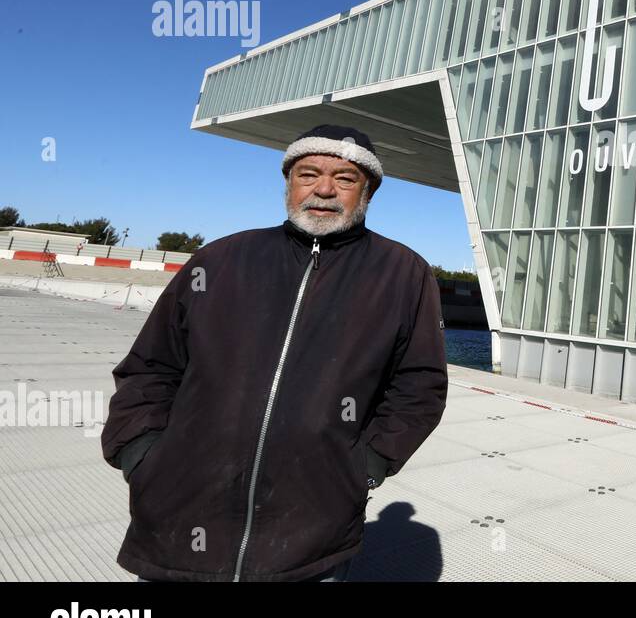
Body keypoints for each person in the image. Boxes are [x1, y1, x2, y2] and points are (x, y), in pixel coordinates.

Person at [102, 124, 449, 582]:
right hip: (180, 512)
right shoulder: (219, 260)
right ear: (289, 183)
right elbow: (151, 365)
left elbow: (419, 384)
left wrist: (364, 466)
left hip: (310, 530)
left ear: (368, 192)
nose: (324, 189)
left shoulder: (404, 274)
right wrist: (140, 453)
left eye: (345, 179)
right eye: (309, 174)